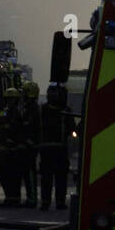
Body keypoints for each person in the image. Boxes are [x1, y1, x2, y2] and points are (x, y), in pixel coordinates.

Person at [38, 83, 75, 211]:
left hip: (50, 150)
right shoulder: (65, 111)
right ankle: (56, 202)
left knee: (51, 178)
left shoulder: (42, 110)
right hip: (57, 150)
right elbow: (73, 130)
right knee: (57, 178)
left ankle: (48, 202)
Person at [0, 87, 23, 207]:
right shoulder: (4, 111)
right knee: (4, 176)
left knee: (13, 176)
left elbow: (16, 128)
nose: (10, 101)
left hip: (13, 150)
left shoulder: (18, 112)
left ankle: (14, 199)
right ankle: (9, 198)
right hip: (4, 149)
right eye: (8, 99)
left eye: (12, 99)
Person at [18, 81, 41, 207]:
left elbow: (29, 127)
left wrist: (26, 141)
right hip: (27, 145)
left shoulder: (32, 108)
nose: (23, 95)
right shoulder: (28, 107)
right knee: (27, 173)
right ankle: (29, 198)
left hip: (30, 146)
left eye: (25, 93)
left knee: (30, 174)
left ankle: (32, 199)